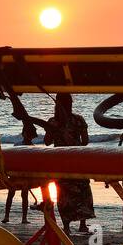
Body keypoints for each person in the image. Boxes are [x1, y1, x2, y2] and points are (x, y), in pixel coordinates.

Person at [44, 93, 95, 234]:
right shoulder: (78, 120)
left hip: (60, 161)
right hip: (77, 159)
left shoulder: (53, 121)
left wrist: (54, 131)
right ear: (70, 103)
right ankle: (82, 225)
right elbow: (85, 141)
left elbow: (47, 141)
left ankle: (66, 227)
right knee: (83, 191)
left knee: (63, 194)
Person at [3, 120, 39, 224]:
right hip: (15, 175)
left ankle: (24, 218)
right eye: (26, 134)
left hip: (26, 176)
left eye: (29, 135)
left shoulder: (33, 148)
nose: (28, 136)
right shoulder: (17, 145)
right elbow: (11, 160)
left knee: (24, 195)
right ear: (23, 134)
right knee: (11, 194)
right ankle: (6, 216)